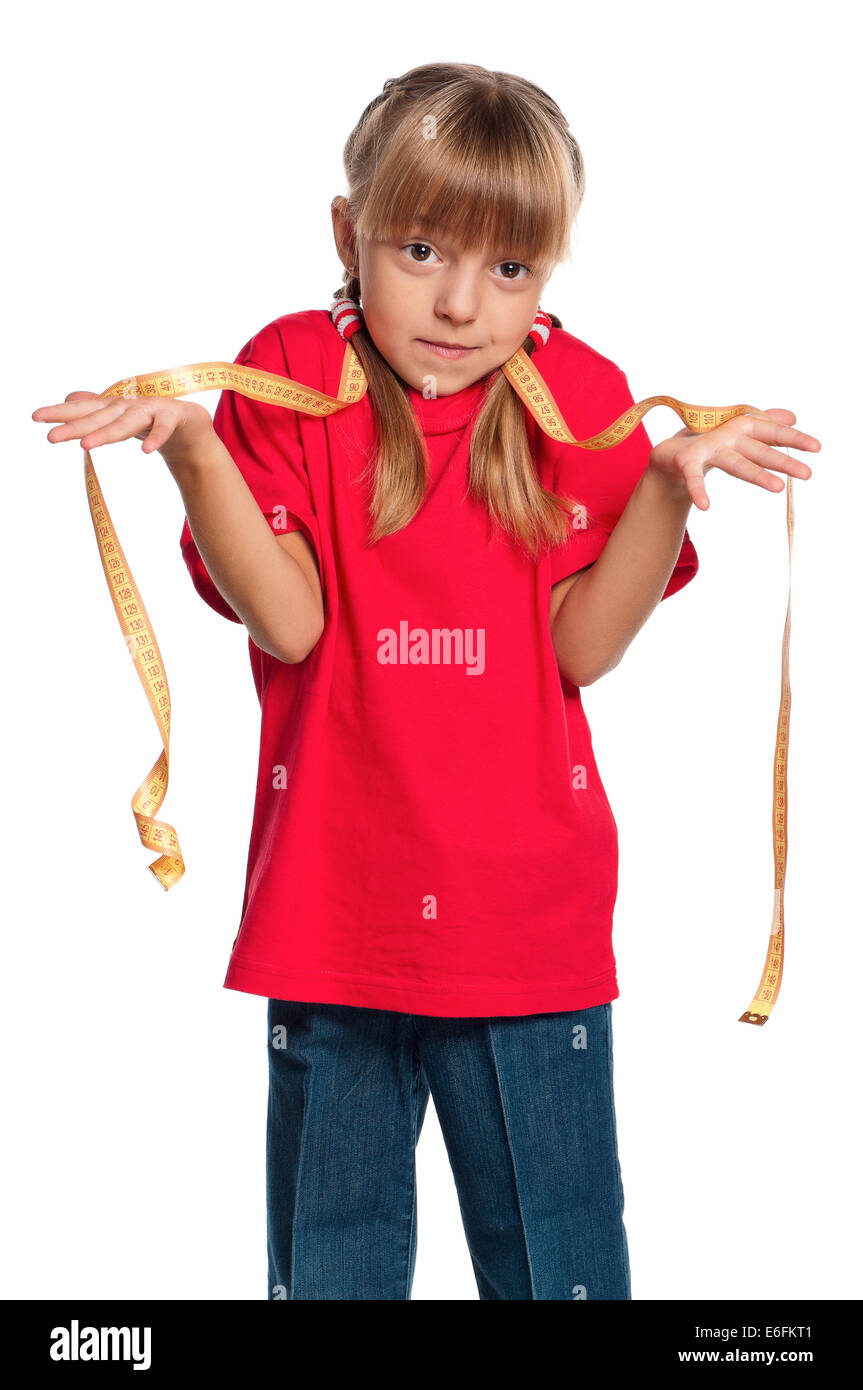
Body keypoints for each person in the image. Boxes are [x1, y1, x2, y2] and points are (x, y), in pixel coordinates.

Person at [31, 62, 819, 1302]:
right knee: (329, 1264)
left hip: (528, 924)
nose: (461, 301)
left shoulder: (581, 396)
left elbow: (579, 653)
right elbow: (287, 624)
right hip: (334, 916)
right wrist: (191, 450)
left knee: (558, 1255)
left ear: (549, 271)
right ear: (346, 235)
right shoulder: (286, 371)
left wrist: (663, 485)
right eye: (418, 249)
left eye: (510, 268)